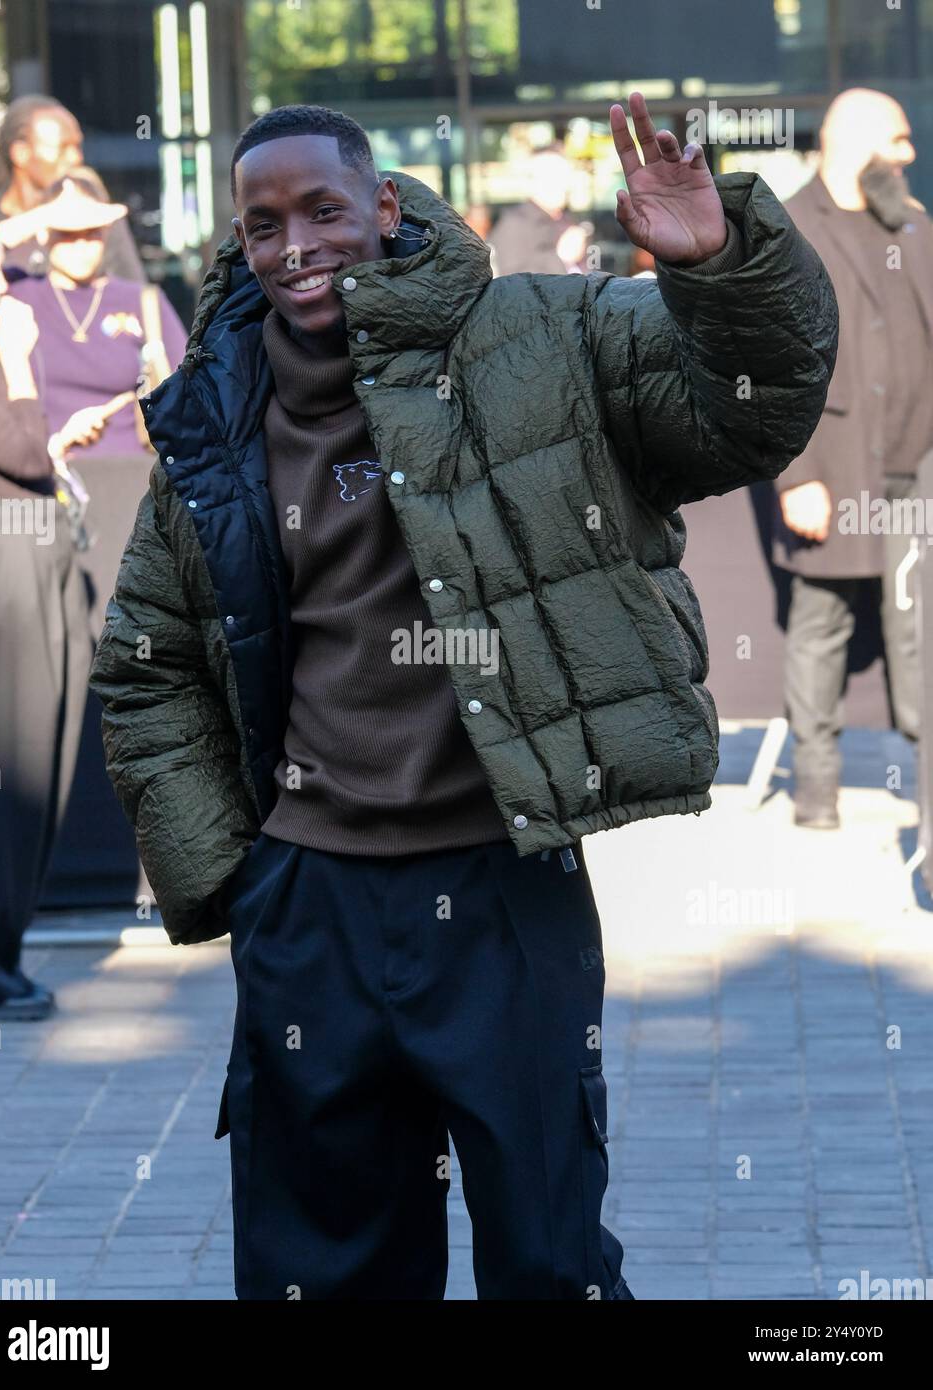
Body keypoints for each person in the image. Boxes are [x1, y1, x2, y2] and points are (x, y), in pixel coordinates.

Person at [89, 96, 838, 1300]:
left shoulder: (540, 332)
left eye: (326, 210)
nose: (297, 247)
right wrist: (235, 876)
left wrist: (720, 268)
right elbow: (146, 659)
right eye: (266, 222)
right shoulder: (213, 416)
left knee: (548, 1262)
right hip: (308, 912)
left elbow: (746, 415)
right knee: (321, 1270)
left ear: (385, 206)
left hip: (502, 896)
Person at [4, 173, 187, 905]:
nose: (79, 243)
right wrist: (31, 220)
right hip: (46, 494)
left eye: (91, 229)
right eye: (65, 229)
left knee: (131, 675)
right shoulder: (14, 299)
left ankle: (146, 867)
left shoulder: (136, 300)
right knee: (54, 677)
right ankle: (50, 868)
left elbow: (181, 394)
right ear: (44, 232)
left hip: (129, 496)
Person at [774, 88, 933, 828]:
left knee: (916, 625)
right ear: (856, 139)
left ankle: (922, 779)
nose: (906, 154)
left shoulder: (907, 219)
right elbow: (766, 363)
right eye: (896, 140)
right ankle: (816, 789)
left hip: (917, 464)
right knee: (822, 620)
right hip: (831, 467)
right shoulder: (785, 227)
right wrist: (796, 474)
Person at [0, 211, 89, 1021]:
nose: (7, 287)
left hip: (18, 562)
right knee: (9, 777)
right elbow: (22, 453)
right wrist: (18, 364)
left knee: (16, 777)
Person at [0, 95, 144, 283]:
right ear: (21, 153)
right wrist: (43, 217)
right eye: (63, 147)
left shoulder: (96, 219)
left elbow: (134, 295)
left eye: (77, 146)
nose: (75, 158)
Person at [489, 143, 589, 274]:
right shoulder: (515, 224)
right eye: (553, 177)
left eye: (565, 176)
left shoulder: (565, 219)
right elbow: (512, 284)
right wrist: (562, 258)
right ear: (531, 182)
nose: (564, 184)